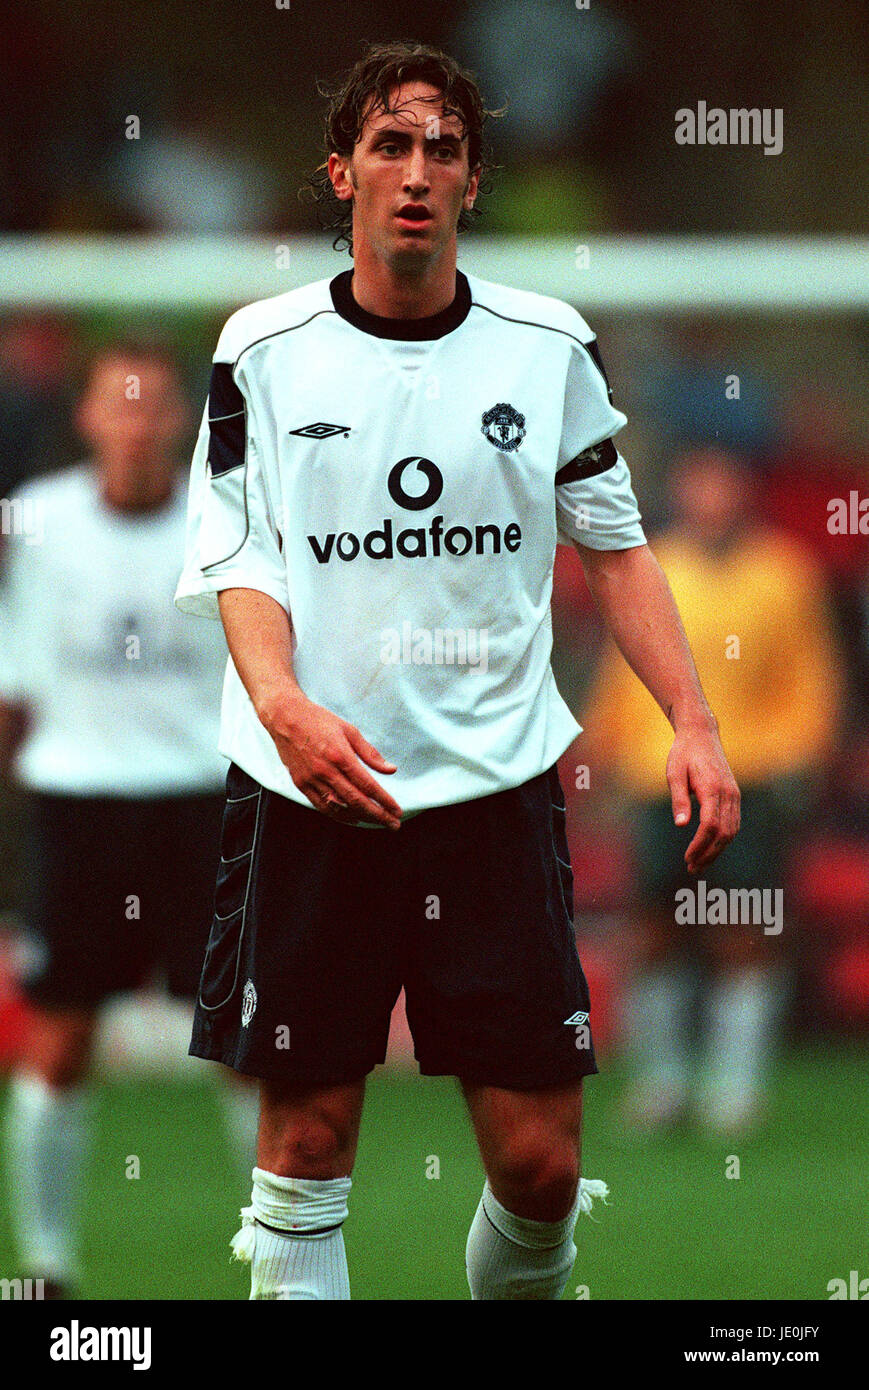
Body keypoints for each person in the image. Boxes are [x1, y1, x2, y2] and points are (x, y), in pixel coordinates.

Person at [174, 41, 739, 1301]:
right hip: (308, 789)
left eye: (443, 147)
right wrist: (284, 707)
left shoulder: (545, 347)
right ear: (342, 172)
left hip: (490, 792)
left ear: (472, 181)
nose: (416, 170)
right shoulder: (260, 349)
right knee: (306, 1149)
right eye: (390, 143)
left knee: (538, 1170)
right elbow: (241, 557)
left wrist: (692, 721)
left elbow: (619, 551)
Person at [0, 339, 257, 1297]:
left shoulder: (224, 518)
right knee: (59, 1041)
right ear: (89, 418)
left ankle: (277, 1258)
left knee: (242, 1041)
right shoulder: (39, 525)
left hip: (207, 804)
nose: (139, 423)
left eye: (155, 406)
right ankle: (48, 1263)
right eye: (121, 404)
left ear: (183, 418)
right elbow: (15, 684)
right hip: (78, 807)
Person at [582, 446, 844, 1132]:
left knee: (742, 926)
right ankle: (661, 1085)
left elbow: (811, 673)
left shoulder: (784, 571)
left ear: (745, 490)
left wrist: (801, 755)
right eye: (697, 482)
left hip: (750, 773)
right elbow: (621, 667)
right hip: (655, 774)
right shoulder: (653, 562)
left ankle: (734, 1089)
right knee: (653, 927)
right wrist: (602, 747)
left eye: (722, 482)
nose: (710, 495)